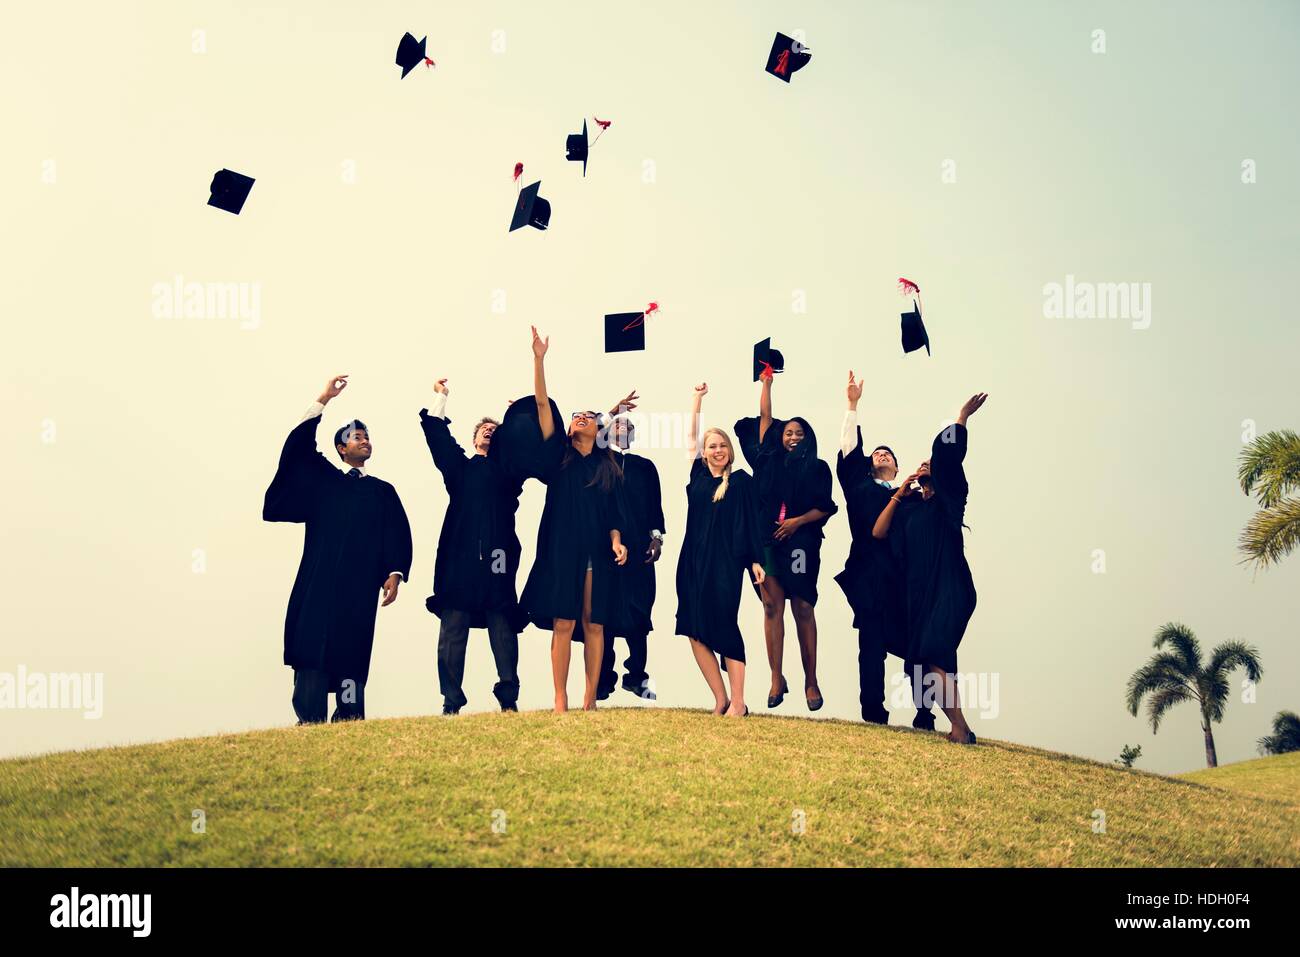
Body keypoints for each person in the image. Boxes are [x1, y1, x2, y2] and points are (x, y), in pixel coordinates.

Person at [494, 327, 631, 712]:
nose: (582, 418)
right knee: (564, 623)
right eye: (577, 417)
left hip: (597, 552)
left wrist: (617, 541)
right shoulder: (559, 458)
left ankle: (589, 700)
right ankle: (560, 698)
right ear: (570, 429)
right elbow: (541, 406)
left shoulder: (608, 468)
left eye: (589, 417)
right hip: (561, 549)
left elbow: (614, 514)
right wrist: (539, 360)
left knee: (595, 625)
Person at [263, 374, 413, 725]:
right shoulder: (324, 482)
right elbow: (297, 449)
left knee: (351, 653)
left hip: (358, 591)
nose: (364, 440)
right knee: (313, 650)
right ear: (341, 448)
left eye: (367, 436)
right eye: (355, 437)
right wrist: (323, 400)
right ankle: (309, 719)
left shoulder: (382, 492)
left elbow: (396, 533)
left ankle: (348, 720)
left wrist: (394, 572)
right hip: (319, 585)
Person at [872, 393, 988, 745]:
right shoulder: (909, 510)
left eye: (929, 464)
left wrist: (962, 418)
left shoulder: (949, 502)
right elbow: (878, 532)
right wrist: (900, 491)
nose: (925, 465)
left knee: (932, 651)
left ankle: (960, 727)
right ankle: (957, 726)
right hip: (920, 594)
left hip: (950, 587)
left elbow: (948, 459)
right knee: (924, 661)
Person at [833, 371, 936, 729]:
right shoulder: (860, 488)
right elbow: (848, 449)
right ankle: (873, 711)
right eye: (875, 452)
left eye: (887, 453)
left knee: (919, 643)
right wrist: (852, 404)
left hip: (907, 580)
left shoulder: (911, 497)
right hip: (870, 578)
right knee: (871, 646)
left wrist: (925, 485)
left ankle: (925, 711)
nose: (881, 454)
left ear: (897, 465)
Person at [418, 377, 526, 715]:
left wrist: (515, 425)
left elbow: (531, 449)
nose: (490, 432)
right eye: (485, 430)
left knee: (503, 625)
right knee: (453, 626)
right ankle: (452, 700)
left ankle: (508, 699)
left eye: (497, 431)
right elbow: (438, 437)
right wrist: (441, 398)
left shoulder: (509, 473)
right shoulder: (460, 470)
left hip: (498, 556)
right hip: (460, 557)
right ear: (474, 438)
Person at [735, 367, 837, 711]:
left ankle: (811, 680)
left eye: (799, 433)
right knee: (770, 606)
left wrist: (797, 522)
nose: (793, 436)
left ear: (808, 438)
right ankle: (776, 677)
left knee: (803, 606)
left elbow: (825, 507)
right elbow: (765, 416)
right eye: (788, 432)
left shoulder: (818, 467)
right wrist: (766, 384)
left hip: (802, 541)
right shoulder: (766, 462)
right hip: (765, 539)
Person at [677, 382, 766, 717]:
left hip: (726, 565)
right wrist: (696, 400)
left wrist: (756, 560)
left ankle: (739, 700)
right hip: (692, 563)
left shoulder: (741, 481)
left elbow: (753, 524)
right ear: (704, 452)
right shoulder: (698, 478)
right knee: (693, 628)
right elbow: (690, 439)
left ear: (730, 450)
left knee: (725, 624)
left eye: (722, 446)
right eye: (711, 446)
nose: (717, 450)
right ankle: (720, 698)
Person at [597, 395, 664, 701]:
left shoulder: (646, 467)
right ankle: (602, 680)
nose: (622, 429)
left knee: (639, 615)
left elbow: (655, 508)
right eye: (617, 426)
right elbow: (589, 432)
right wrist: (613, 411)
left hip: (639, 549)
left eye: (628, 426)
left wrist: (657, 539)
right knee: (605, 615)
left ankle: (636, 677)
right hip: (604, 548)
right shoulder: (599, 463)